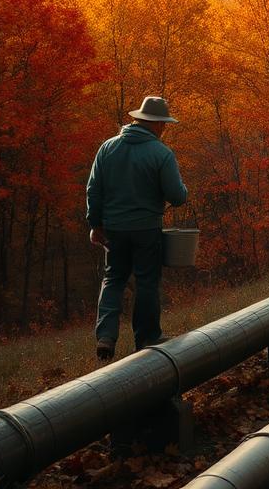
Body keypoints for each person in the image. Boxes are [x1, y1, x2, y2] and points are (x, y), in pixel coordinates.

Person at [87, 95, 188, 361]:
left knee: (113, 279)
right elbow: (177, 196)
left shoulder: (107, 149)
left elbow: (93, 190)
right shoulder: (161, 154)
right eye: (163, 124)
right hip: (146, 229)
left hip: (114, 230)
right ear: (153, 124)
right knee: (146, 282)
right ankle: (146, 339)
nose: (164, 128)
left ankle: (106, 337)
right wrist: (180, 191)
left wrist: (95, 224)